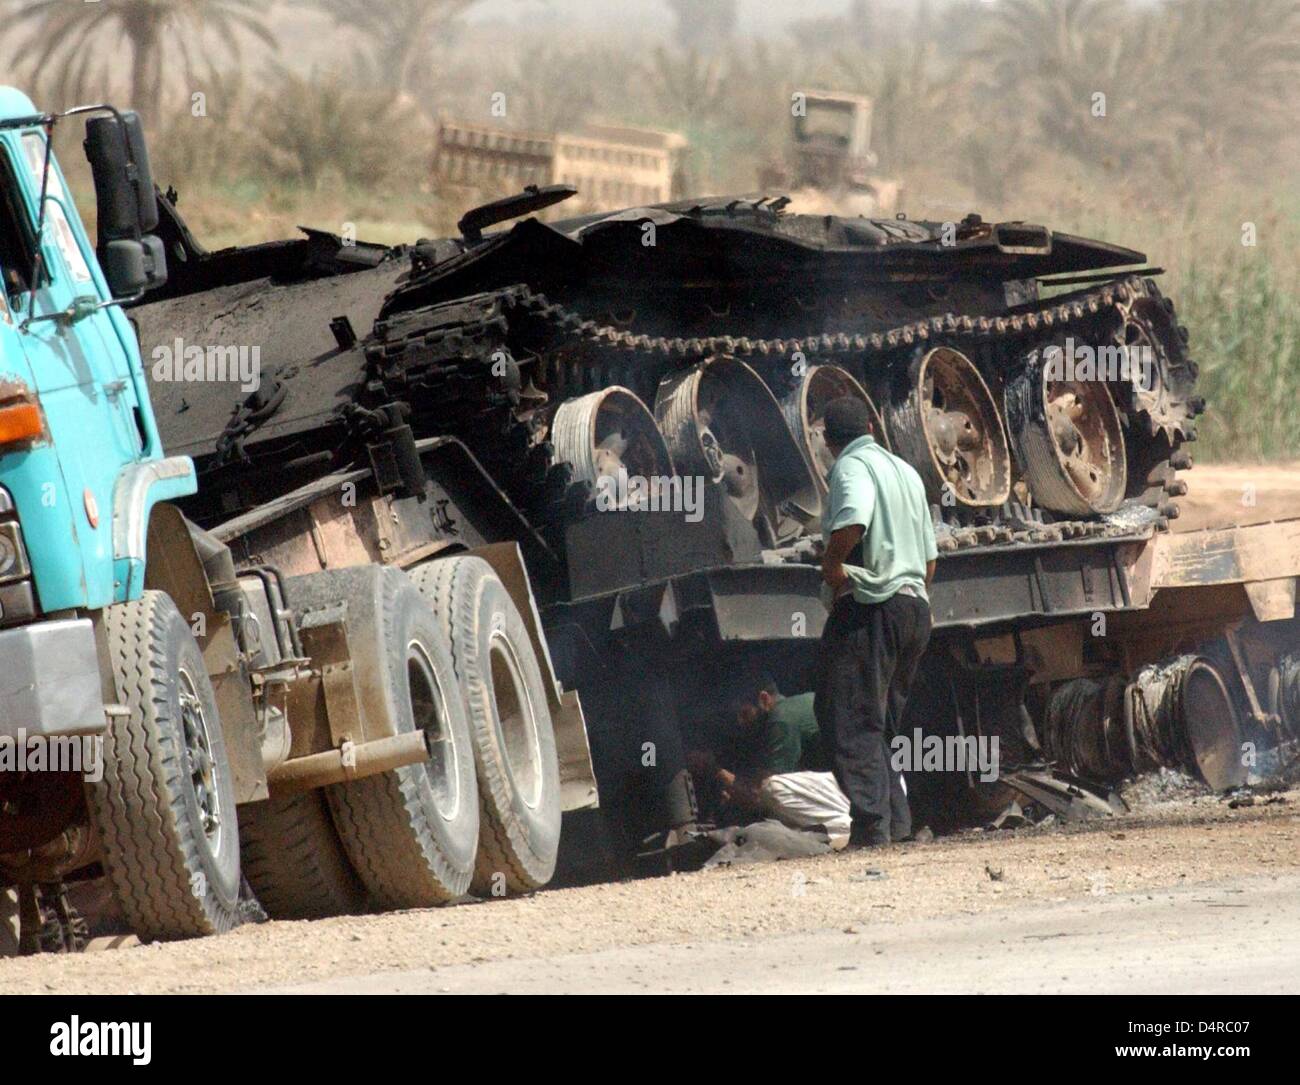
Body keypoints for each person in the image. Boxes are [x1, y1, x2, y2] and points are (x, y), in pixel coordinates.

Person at [815, 396, 937, 848]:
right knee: (880, 723)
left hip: (870, 605)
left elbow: (853, 521)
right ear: (871, 424)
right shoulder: (905, 471)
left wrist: (833, 567)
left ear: (828, 441)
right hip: (914, 608)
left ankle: (871, 828)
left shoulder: (850, 468)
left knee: (846, 716)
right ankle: (897, 823)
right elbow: (930, 560)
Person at [687, 681, 852, 847]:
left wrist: (715, 770)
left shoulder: (782, 718)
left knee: (773, 787)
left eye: (744, 713)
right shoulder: (794, 707)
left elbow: (758, 793)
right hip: (853, 783)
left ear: (764, 699)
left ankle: (841, 826)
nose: (740, 722)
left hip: (848, 788)